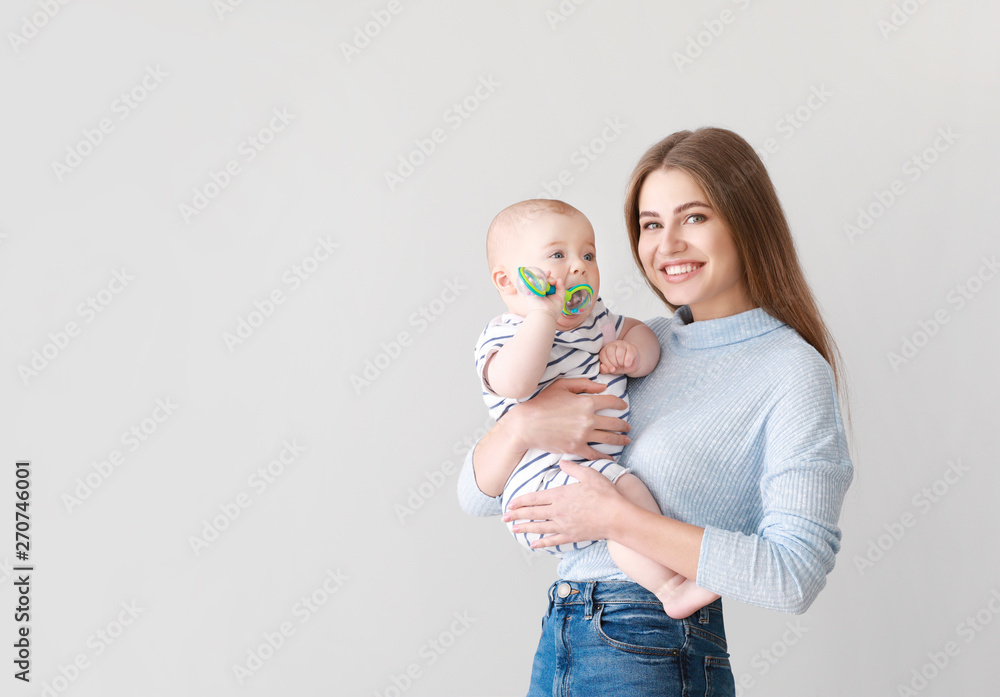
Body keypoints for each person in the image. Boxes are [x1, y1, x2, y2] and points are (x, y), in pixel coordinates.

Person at [457, 127, 854, 696]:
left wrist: (615, 519)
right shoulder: (632, 348)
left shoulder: (789, 369)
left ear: (746, 222)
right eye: (650, 224)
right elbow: (477, 498)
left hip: (648, 642)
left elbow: (793, 575)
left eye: (694, 218)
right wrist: (522, 422)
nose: (666, 245)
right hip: (564, 631)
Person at [475, 198, 719, 620]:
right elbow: (515, 384)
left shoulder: (598, 321)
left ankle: (668, 581)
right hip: (544, 481)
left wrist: (632, 353)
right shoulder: (506, 334)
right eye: (558, 255)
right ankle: (669, 585)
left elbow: (642, 334)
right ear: (509, 282)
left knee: (621, 508)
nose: (579, 266)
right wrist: (543, 316)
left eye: (588, 254)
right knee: (624, 498)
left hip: (580, 470)